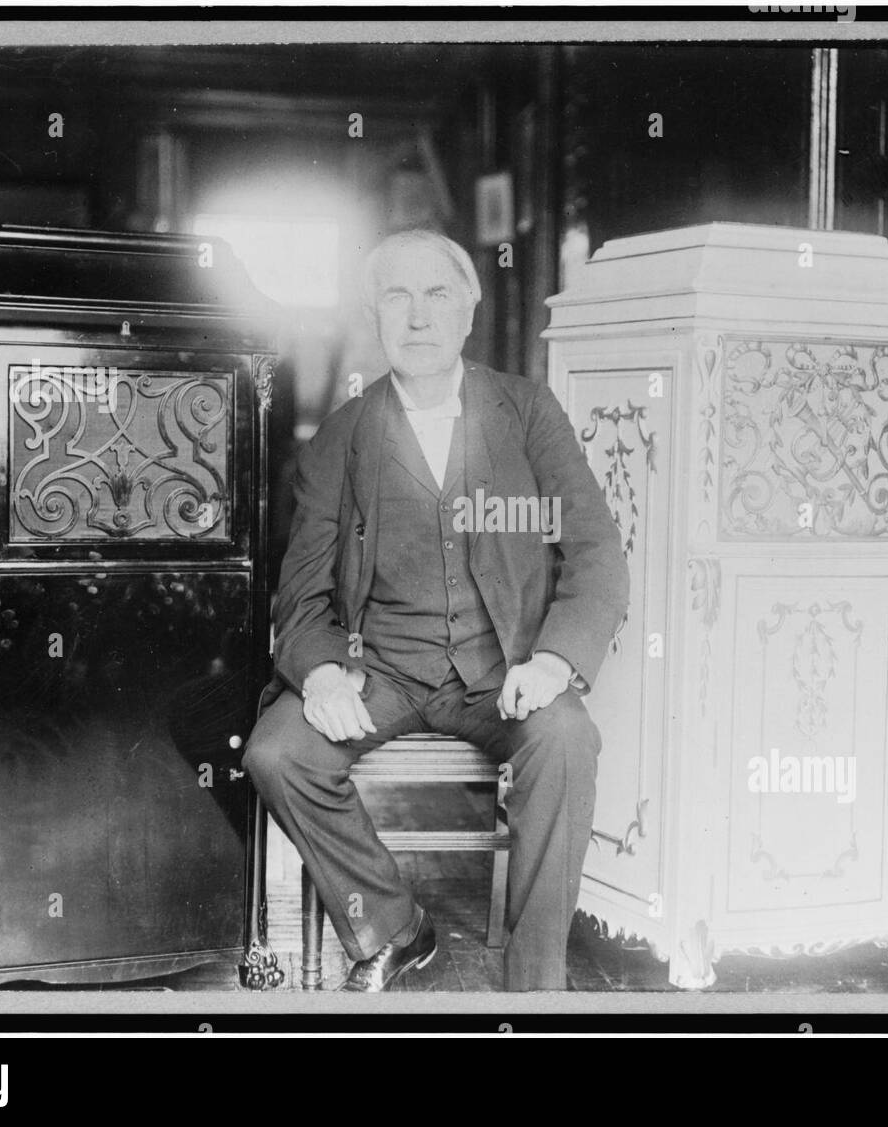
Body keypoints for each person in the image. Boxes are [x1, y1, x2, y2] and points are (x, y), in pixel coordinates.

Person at [242, 229, 629, 991]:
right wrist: (322, 674)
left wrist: (552, 661)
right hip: (377, 668)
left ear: (469, 313)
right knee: (277, 753)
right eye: (396, 297)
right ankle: (393, 924)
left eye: (437, 295)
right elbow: (304, 587)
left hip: (502, 672)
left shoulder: (527, 412)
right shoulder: (342, 438)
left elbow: (596, 553)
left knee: (566, 740)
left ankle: (535, 984)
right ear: (374, 316)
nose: (417, 318)